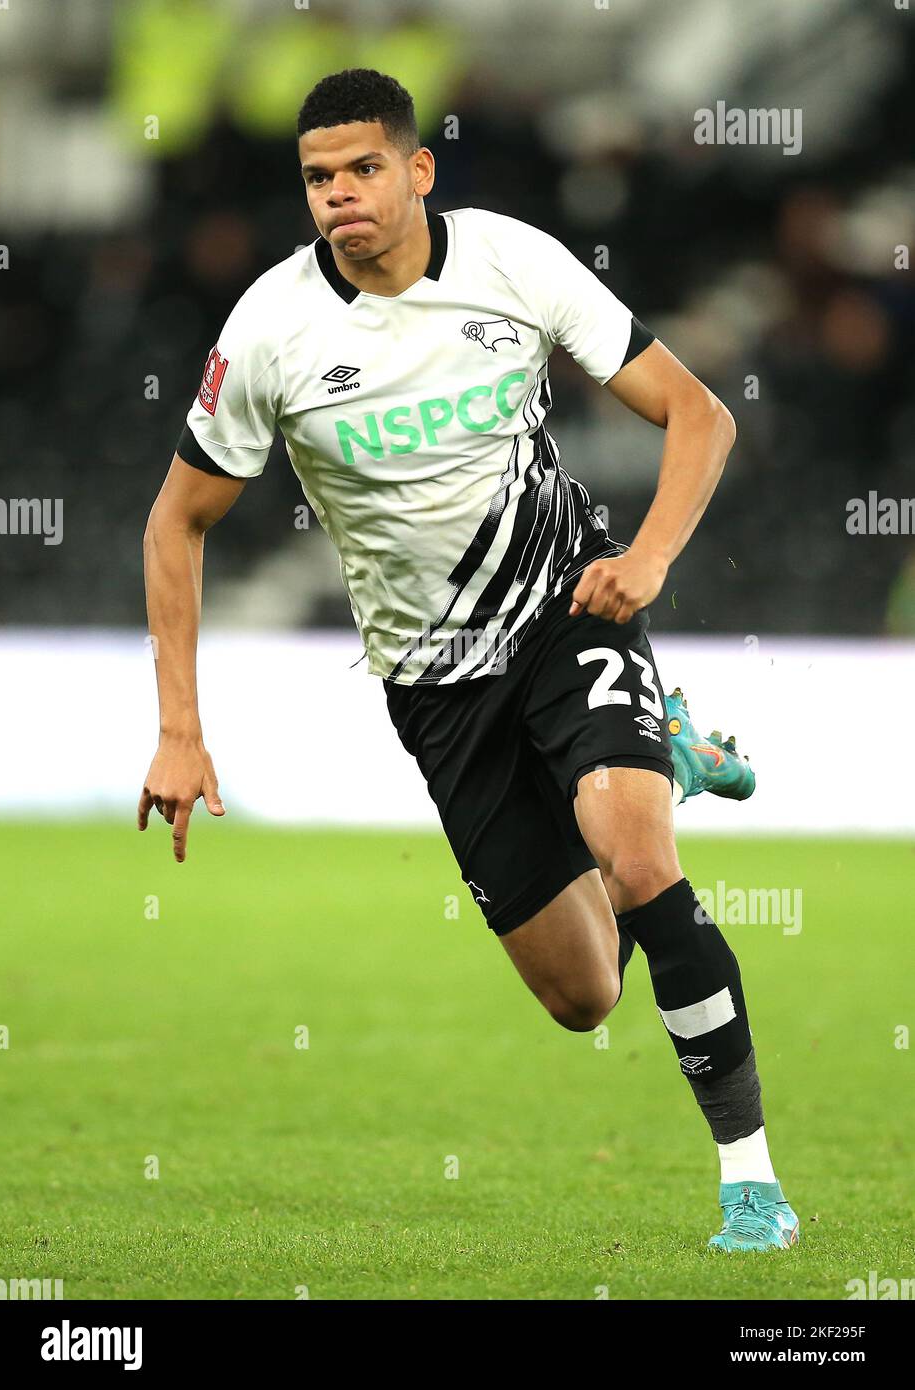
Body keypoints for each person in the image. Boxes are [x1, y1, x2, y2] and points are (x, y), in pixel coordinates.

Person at [140, 68, 797, 1253]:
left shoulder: (512, 263)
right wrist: (181, 727)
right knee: (584, 994)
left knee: (639, 856)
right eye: (317, 179)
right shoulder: (271, 329)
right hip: (437, 688)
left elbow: (701, 413)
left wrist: (646, 558)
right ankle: (674, 757)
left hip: (568, 611)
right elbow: (176, 521)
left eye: (361, 169)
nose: (338, 195)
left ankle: (750, 1182)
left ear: (417, 169)